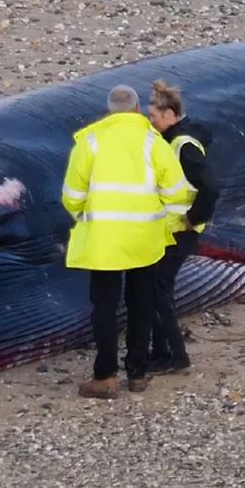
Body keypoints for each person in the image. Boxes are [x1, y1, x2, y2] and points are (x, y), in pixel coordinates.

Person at [61, 84, 192, 399]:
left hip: (103, 242)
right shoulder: (153, 143)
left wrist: (83, 216)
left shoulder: (89, 142)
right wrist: (171, 225)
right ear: (136, 110)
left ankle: (105, 376)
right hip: (144, 240)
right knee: (141, 306)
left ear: (110, 110)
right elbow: (177, 192)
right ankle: (137, 372)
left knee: (104, 307)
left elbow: (72, 196)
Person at [146, 80, 220, 375]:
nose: (150, 122)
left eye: (153, 116)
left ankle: (174, 356)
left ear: (169, 115)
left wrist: (195, 218)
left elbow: (210, 187)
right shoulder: (175, 139)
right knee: (158, 290)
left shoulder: (182, 145)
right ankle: (162, 351)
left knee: (157, 291)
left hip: (181, 232)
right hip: (170, 231)